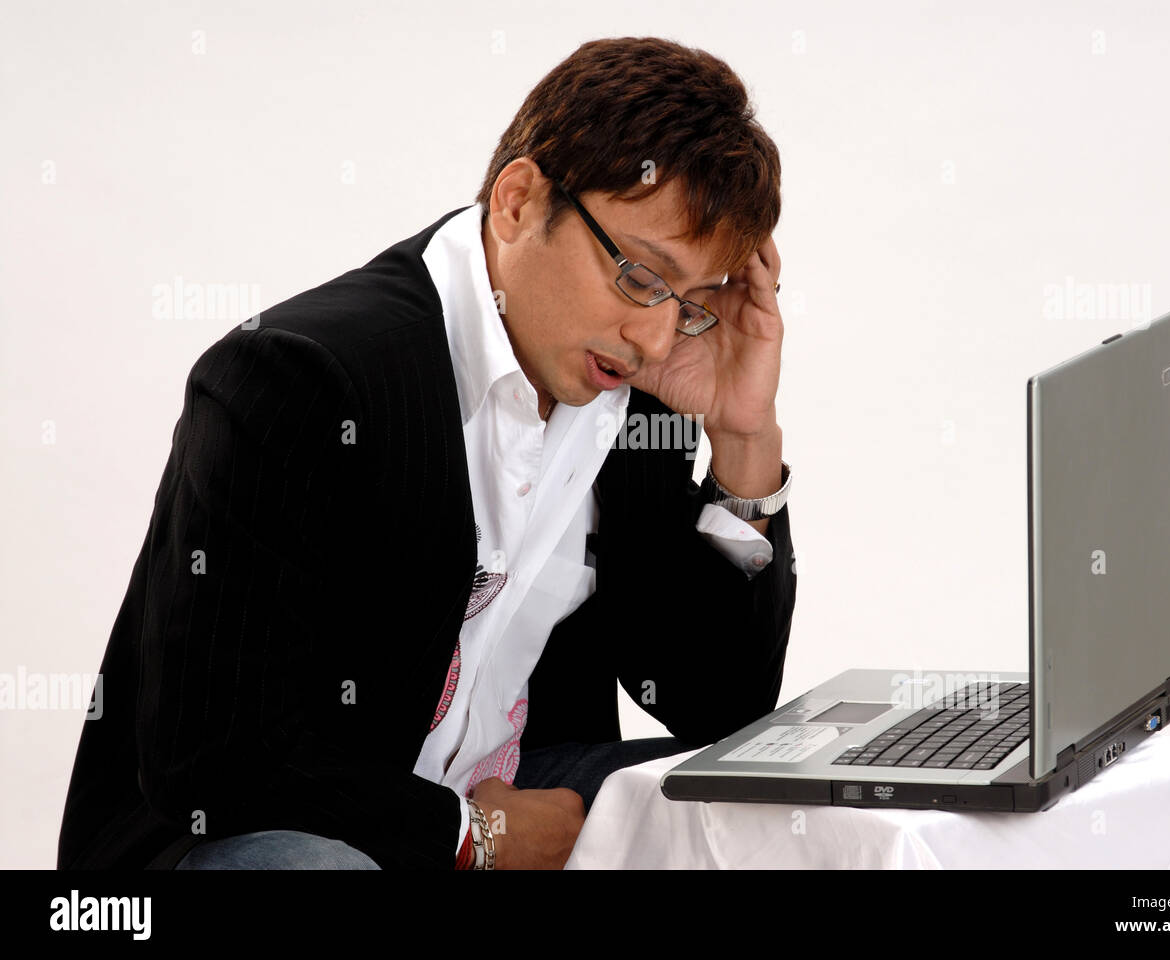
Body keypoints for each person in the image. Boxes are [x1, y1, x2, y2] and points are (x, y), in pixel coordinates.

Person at [56, 35, 795, 871]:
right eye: (639, 276)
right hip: (274, 828)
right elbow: (215, 757)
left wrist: (743, 435)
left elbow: (718, 707)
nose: (657, 332)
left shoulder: (626, 384)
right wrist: (473, 841)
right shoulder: (304, 376)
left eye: (692, 303)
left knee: (761, 802)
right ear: (518, 201)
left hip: (514, 783)